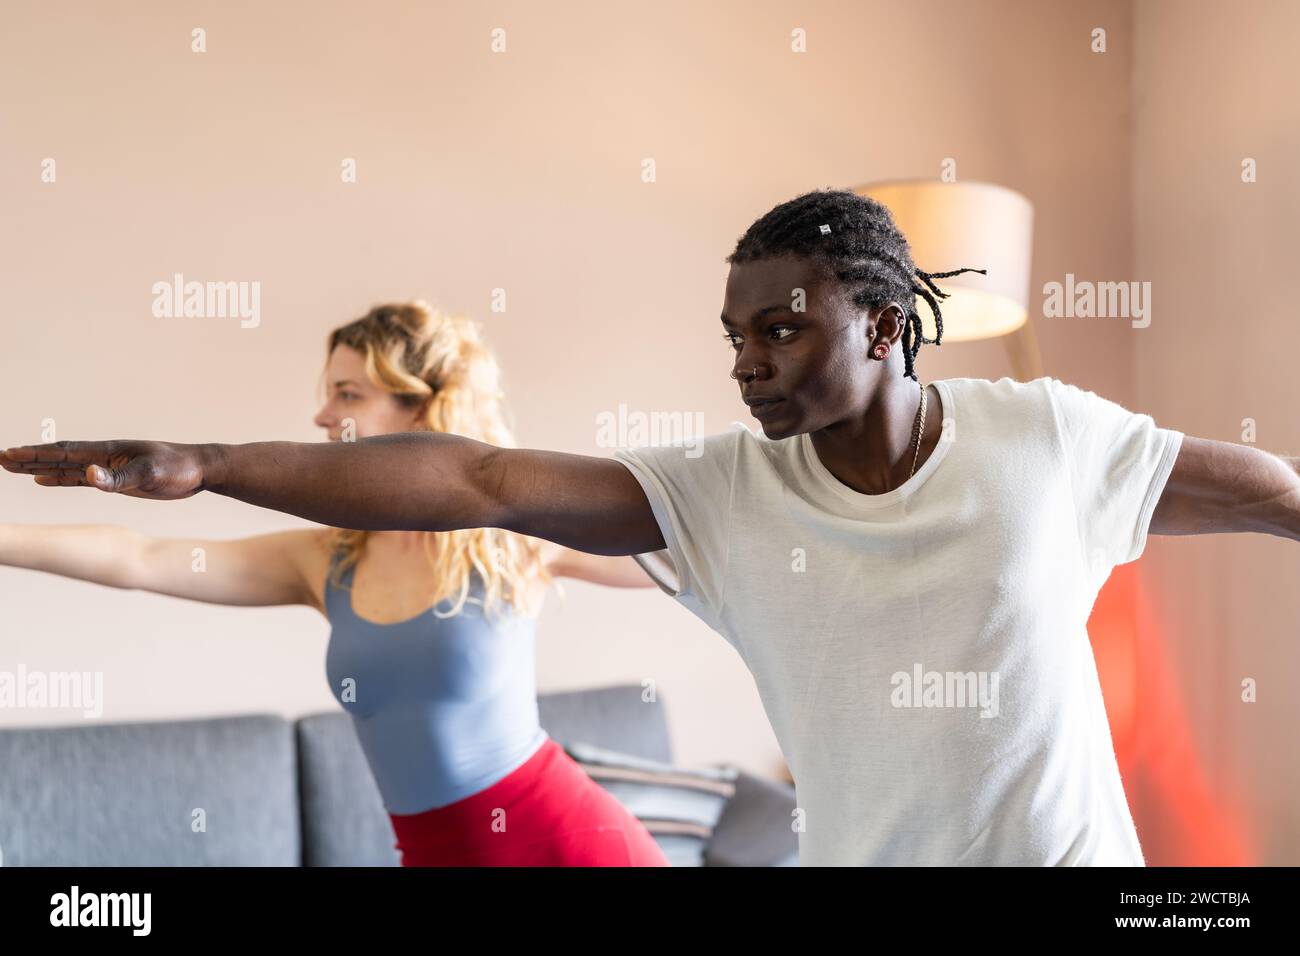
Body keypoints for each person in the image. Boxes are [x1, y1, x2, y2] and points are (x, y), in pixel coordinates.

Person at [5, 189, 1297, 866]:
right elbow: (481, 480)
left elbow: (1273, 491)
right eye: (734, 335)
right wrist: (210, 462)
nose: (745, 361)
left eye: (780, 327)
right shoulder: (721, 494)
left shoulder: (1047, 439)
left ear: (886, 325)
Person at [0, 301, 670, 867]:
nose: (322, 416)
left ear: (422, 414)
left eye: (348, 394)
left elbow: (683, 550)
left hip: (566, 842)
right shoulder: (327, 561)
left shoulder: (514, 540)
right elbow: (140, 556)